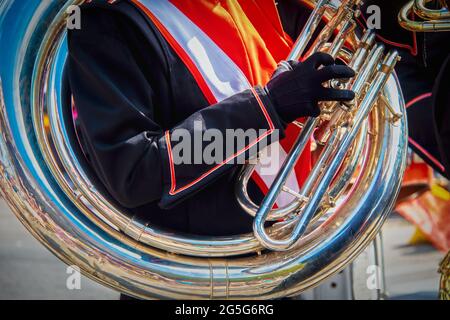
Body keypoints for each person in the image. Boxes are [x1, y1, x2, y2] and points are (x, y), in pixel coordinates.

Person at [67, 0, 355, 237]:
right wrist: (267, 109)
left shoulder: (267, 7)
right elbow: (133, 172)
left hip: (285, 249)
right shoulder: (111, 24)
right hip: (192, 280)